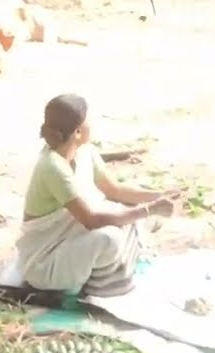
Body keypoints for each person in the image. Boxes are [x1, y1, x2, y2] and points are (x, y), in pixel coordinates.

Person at [14, 94, 180, 298]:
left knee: (131, 217)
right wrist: (148, 209)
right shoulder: (52, 166)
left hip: (72, 238)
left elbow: (114, 190)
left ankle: (101, 272)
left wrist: (160, 196)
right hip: (45, 261)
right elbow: (91, 220)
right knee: (109, 238)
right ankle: (97, 287)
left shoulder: (85, 151)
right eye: (88, 121)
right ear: (77, 131)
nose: (92, 124)